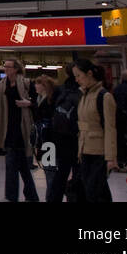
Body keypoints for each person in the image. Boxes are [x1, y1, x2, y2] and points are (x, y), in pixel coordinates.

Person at [0, 59, 38, 202]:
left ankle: (14, 196)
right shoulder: (1, 85)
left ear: (16, 69)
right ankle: (28, 196)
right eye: (4, 66)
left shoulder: (26, 83)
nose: (5, 69)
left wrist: (28, 103)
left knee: (16, 165)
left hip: (22, 127)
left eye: (8, 66)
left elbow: (37, 103)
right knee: (18, 165)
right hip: (8, 127)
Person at [73, 59, 117, 202]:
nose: (77, 79)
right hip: (85, 151)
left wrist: (110, 157)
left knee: (94, 192)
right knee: (95, 192)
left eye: (79, 75)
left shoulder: (104, 96)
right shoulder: (84, 96)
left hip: (99, 153)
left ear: (89, 74)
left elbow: (110, 128)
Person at [46, 67, 82, 203]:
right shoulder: (82, 91)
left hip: (60, 138)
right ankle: (75, 197)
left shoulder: (60, 90)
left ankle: (53, 199)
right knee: (79, 172)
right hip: (77, 137)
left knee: (61, 173)